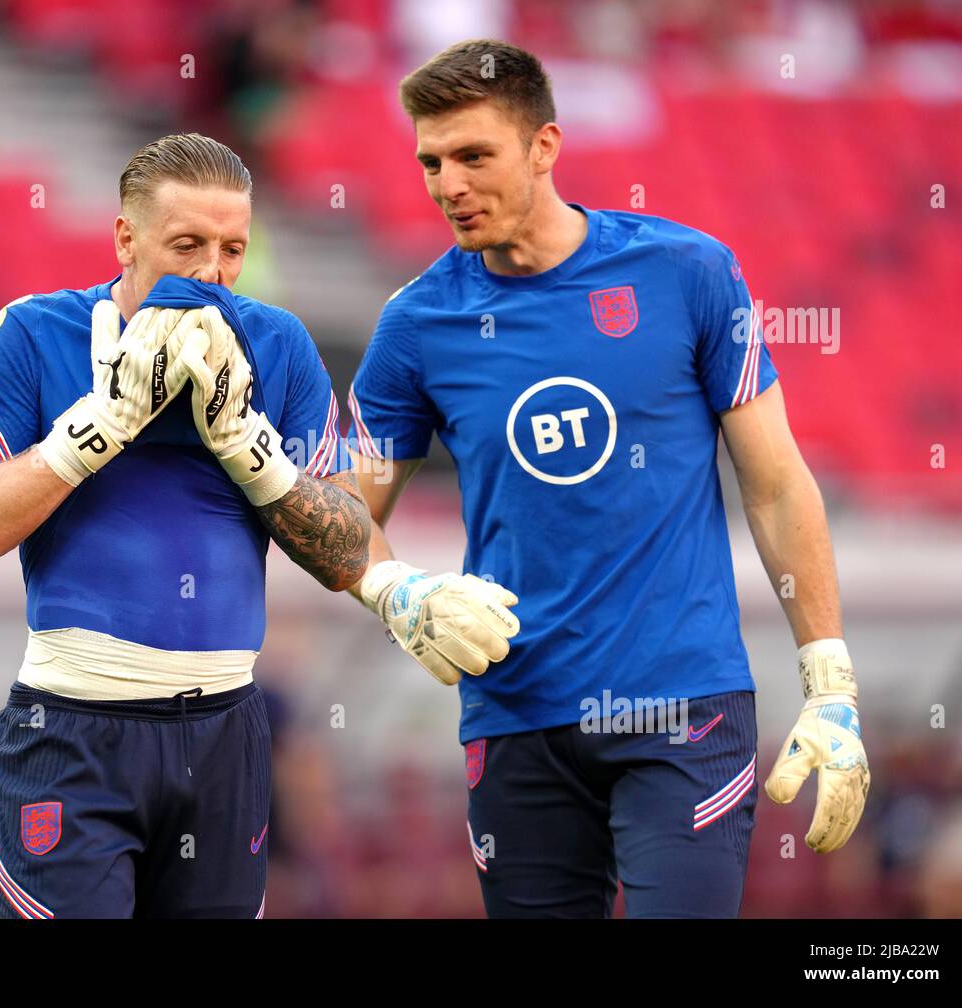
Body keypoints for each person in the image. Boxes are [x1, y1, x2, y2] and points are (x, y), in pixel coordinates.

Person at [344, 39, 870, 918]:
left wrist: (830, 679)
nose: (448, 186)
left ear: (545, 146)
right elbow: (343, 511)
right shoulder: (416, 325)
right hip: (515, 718)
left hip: (681, 711)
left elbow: (776, 485)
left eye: (475, 156)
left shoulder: (689, 272)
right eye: (431, 162)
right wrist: (394, 590)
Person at [0, 132, 515, 918]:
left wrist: (259, 459)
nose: (212, 273)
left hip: (226, 733)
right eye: (187, 245)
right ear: (124, 238)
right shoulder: (35, 334)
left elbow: (343, 541)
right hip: (71, 729)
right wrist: (100, 423)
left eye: (232, 248)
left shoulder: (276, 347)